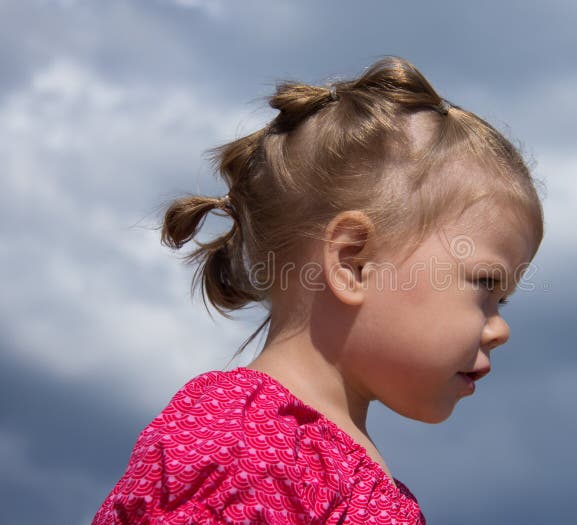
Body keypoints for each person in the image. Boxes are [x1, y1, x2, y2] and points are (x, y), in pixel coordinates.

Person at [92, 55, 545, 524]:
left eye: (503, 298)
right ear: (353, 264)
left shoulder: (316, 459)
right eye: (485, 285)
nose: (500, 330)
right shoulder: (242, 449)